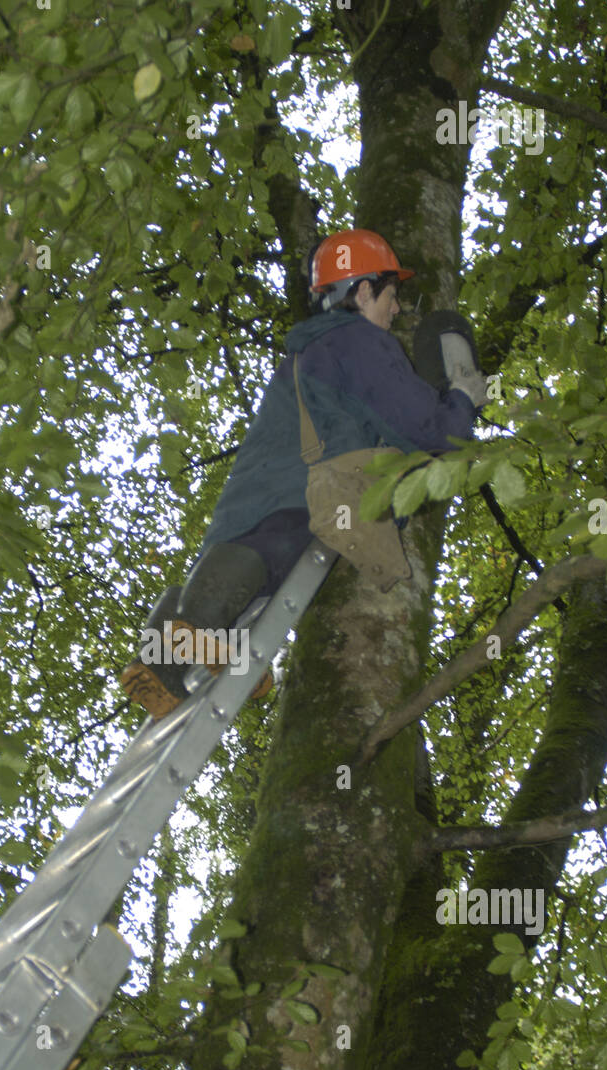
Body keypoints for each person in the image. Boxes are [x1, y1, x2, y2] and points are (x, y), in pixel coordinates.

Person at [121, 228, 488, 719]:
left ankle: (163, 661)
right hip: (302, 493)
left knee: (257, 575)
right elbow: (427, 431)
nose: (397, 309)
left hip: (252, 500)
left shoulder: (306, 351)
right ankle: (202, 627)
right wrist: (463, 397)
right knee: (276, 553)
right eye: (392, 294)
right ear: (362, 291)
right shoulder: (360, 340)